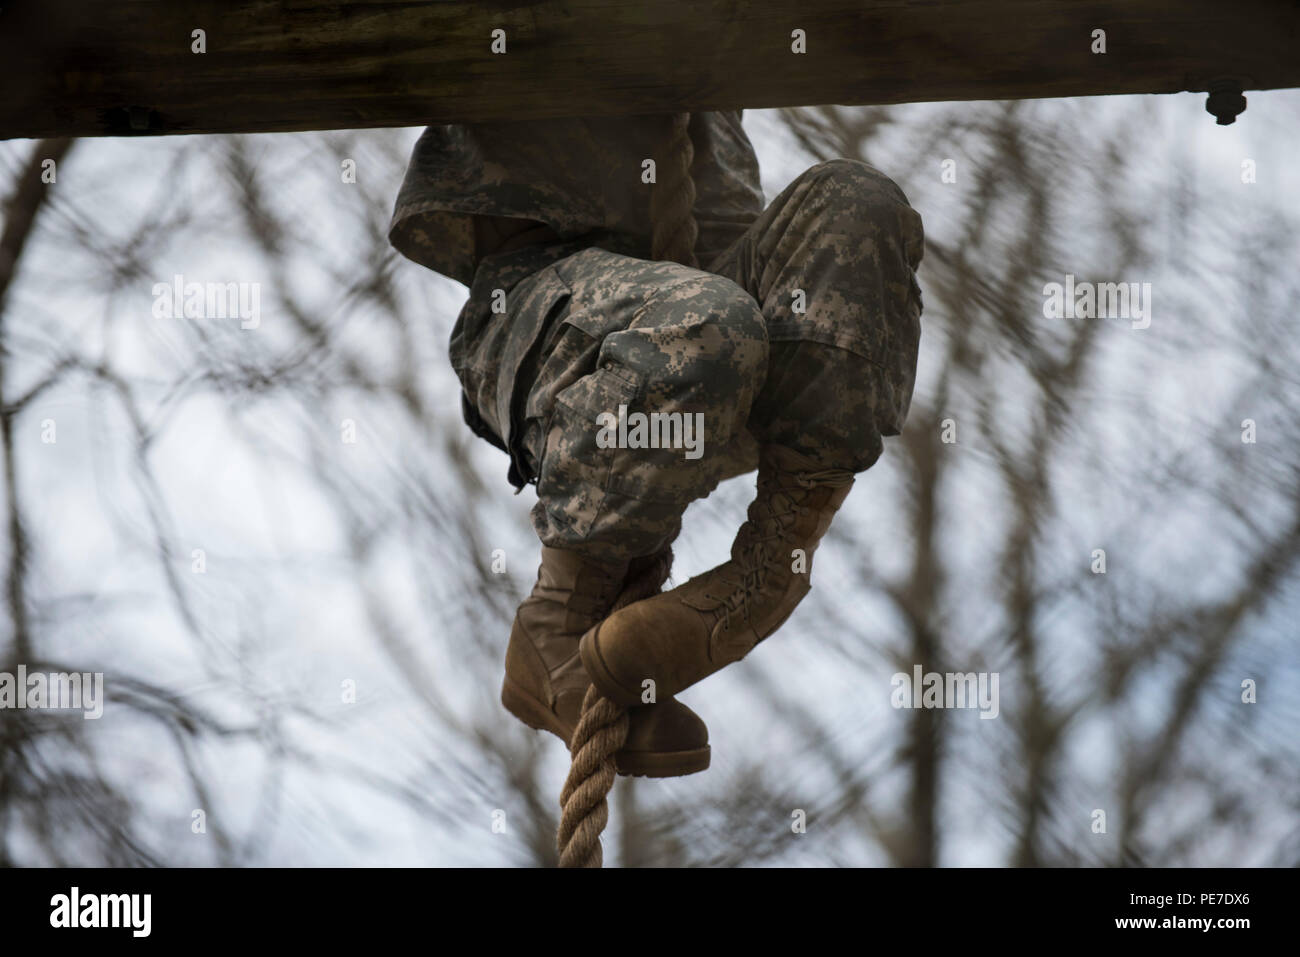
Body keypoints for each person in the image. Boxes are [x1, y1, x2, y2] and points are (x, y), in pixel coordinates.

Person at [388, 111, 924, 779]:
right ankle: (560, 616)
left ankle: (765, 577)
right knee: (703, 324)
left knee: (860, 205)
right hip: (547, 312)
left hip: (721, 339)